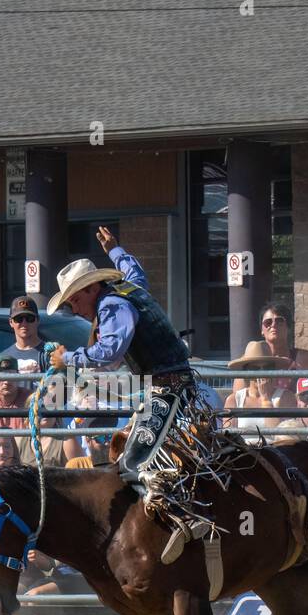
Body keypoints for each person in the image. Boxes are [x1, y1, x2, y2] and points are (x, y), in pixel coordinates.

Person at [47, 225, 209, 547]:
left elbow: (110, 351)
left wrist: (70, 359)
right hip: (169, 386)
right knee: (137, 453)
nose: (75, 309)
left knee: (136, 458)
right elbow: (134, 271)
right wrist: (114, 250)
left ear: (92, 289)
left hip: (169, 389)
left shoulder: (111, 306)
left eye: (75, 300)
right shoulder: (128, 289)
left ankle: (183, 518)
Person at [232, 303, 308, 397]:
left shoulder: (305, 359)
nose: (273, 325)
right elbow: (238, 398)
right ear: (262, 330)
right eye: (268, 322)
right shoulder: (247, 362)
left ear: (288, 327)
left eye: (279, 321)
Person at [223, 343, 296, 440]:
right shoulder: (234, 400)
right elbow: (228, 438)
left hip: (275, 452)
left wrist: (266, 400)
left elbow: (280, 436)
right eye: (255, 368)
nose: (261, 373)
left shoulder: (286, 397)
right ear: (246, 372)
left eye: (267, 368)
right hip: (243, 452)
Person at [0, 296, 47, 374]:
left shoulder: (52, 354)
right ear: (10, 322)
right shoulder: (2, 358)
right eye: (18, 319)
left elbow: (70, 382)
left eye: (29, 318)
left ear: (38, 320)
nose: (24, 323)